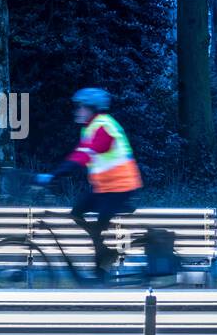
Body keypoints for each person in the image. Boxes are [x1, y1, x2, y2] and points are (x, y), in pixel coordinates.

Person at [35, 88, 143, 274]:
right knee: (77, 212)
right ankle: (105, 254)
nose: (77, 110)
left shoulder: (104, 127)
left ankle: (101, 270)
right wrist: (54, 174)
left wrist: (53, 175)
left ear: (93, 109)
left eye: (81, 107)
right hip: (104, 187)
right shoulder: (90, 128)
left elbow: (84, 156)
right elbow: (80, 154)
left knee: (98, 227)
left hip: (121, 186)